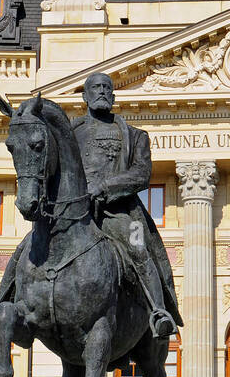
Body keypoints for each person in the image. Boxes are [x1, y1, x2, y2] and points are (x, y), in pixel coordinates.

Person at [71, 72, 181, 337]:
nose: (101, 92)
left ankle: (158, 313)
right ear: (85, 96)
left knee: (139, 250)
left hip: (118, 212)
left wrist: (105, 187)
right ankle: (1, 308)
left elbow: (141, 174)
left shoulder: (134, 135)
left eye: (106, 88)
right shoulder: (71, 132)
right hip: (75, 212)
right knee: (29, 247)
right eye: (95, 88)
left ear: (113, 96)